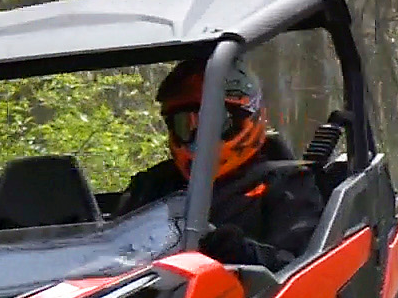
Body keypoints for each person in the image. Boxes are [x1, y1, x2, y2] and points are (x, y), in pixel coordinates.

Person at [112, 56, 325, 271]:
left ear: (244, 118)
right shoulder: (153, 185)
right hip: (152, 297)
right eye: (184, 124)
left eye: (214, 122)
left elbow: (299, 267)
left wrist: (239, 250)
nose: (197, 135)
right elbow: (111, 252)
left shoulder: (287, 183)